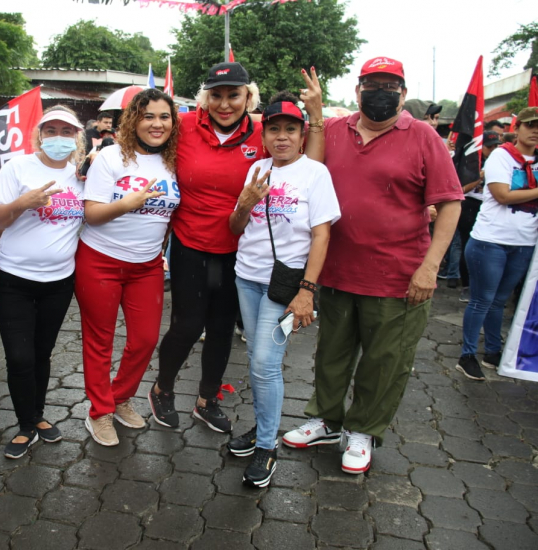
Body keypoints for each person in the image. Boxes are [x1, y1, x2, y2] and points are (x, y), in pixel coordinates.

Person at [282, 57, 463, 474]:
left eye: (389, 85)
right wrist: (313, 115)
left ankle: (363, 429)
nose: (380, 92)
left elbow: (450, 203)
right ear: (358, 87)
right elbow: (308, 173)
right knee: (332, 354)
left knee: (384, 362)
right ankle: (326, 419)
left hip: (399, 277)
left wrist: (430, 266)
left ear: (402, 92)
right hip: (339, 271)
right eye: (372, 84)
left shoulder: (422, 136)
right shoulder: (333, 129)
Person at [150, 62, 324, 434]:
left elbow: (312, 164)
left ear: (250, 97)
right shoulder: (183, 126)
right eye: (216, 95)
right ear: (205, 98)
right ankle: (162, 389)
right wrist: (103, 155)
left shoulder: (266, 131)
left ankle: (206, 399)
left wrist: (318, 115)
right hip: (190, 245)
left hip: (238, 253)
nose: (224, 104)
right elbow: (146, 136)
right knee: (187, 324)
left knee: (221, 329)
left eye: (234, 95)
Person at [227, 95, 340, 487]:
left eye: (290, 129)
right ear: (264, 134)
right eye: (274, 129)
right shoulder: (256, 169)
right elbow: (236, 227)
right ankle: (261, 430)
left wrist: (307, 291)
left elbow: (322, 234)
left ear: (301, 133)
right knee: (259, 363)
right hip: (247, 277)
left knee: (263, 364)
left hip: (286, 286)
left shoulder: (315, 174)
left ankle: (266, 448)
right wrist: (245, 204)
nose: (281, 137)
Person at [77, 88, 180, 446]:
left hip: (147, 266)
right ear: (133, 119)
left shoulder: (172, 160)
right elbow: (91, 214)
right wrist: (129, 203)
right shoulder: (111, 158)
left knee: (145, 339)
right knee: (99, 341)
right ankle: (99, 412)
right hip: (99, 261)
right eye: (148, 115)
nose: (156, 123)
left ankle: (120, 398)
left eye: (164, 117)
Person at [0, 106, 86, 458]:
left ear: (77, 136)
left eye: (66, 131)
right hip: (14, 278)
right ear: (39, 135)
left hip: (59, 282)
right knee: (19, 356)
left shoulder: (80, 175)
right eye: (51, 130)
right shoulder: (18, 168)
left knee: (42, 353)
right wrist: (22, 202)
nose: (58, 137)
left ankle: (38, 416)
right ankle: (25, 425)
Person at [458, 106, 538, 380]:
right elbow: (502, 195)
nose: (536, 131)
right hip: (490, 241)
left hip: (525, 242)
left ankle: (493, 350)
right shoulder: (501, 157)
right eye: (530, 125)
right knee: (482, 300)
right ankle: (467, 355)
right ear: (517, 129)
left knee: (500, 301)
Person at [457, 130, 502, 302]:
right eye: (489, 147)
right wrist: (479, 177)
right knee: (468, 245)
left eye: (495, 146)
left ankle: (485, 287)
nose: (492, 150)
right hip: (469, 205)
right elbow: (458, 189)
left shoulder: (499, 161)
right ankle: (467, 286)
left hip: (490, 207)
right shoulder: (469, 161)